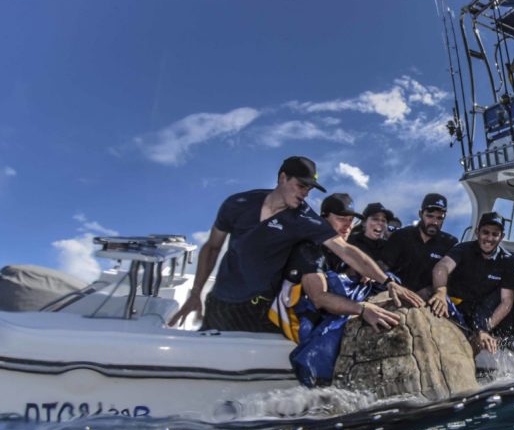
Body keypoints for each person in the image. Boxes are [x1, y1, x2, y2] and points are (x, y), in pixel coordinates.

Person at [168, 156, 421, 331]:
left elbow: (346, 250)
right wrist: (195, 293)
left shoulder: (304, 218)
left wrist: (386, 282)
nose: (304, 194)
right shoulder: (238, 204)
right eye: (301, 186)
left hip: (260, 308)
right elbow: (212, 247)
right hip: (220, 301)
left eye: (309, 190)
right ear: (282, 178)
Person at [275, 193, 402, 385]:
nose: (348, 225)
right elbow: (319, 298)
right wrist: (363, 309)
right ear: (324, 218)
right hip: (301, 313)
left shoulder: (342, 247)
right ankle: (318, 377)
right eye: (341, 219)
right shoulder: (309, 249)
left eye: (351, 220)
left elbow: (358, 262)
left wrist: (379, 280)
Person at [429, 211, 514, 354]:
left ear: (502, 237)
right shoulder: (463, 249)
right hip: (454, 306)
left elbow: (507, 301)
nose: (489, 238)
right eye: (485, 232)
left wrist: (484, 329)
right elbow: (442, 267)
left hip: (481, 313)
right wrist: (440, 292)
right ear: (477, 232)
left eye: (495, 234)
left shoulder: (507, 261)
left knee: (476, 343)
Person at [381, 193, 458, 298]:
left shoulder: (450, 243)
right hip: (393, 293)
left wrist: (430, 290)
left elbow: (452, 278)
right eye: (430, 216)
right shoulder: (401, 235)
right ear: (421, 214)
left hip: (426, 301)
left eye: (440, 218)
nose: (435, 222)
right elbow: (383, 266)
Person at [348, 202, 395, 266]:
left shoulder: (389, 247)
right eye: (375, 219)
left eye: (383, 220)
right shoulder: (350, 242)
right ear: (364, 223)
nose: (380, 223)